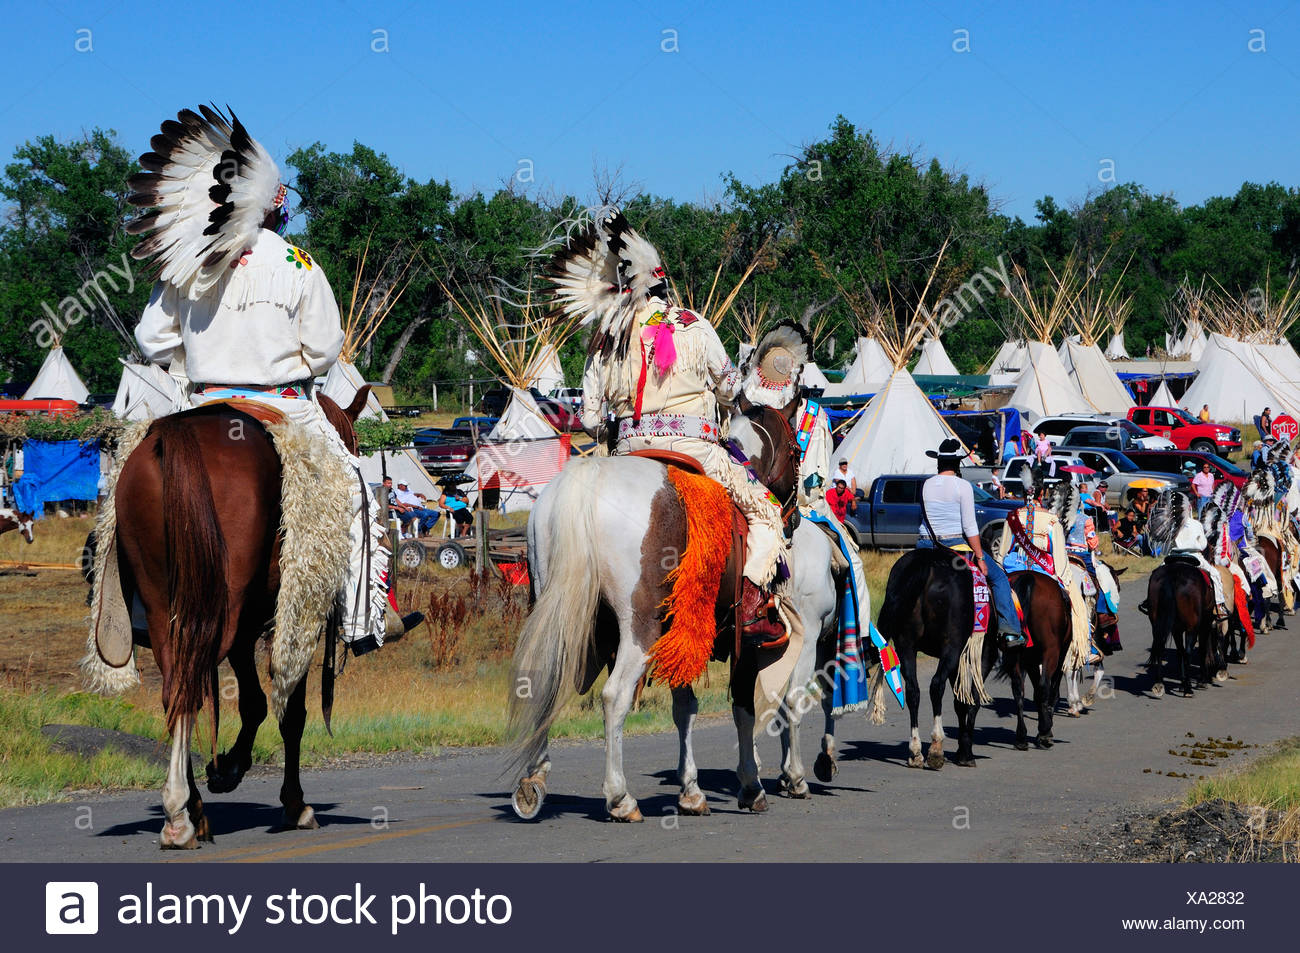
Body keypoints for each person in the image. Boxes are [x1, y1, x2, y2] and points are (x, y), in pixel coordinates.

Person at [130, 105, 399, 653]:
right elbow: (324, 350)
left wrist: (196, 369)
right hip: (285, 410)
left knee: (127, 498)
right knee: (356, 494)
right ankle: (362, 618)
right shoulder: (299, 264)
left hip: (198, 405)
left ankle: (134, 614)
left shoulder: (193, 260)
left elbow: (151, 340)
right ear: (277, 212)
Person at [566, 207, 791, 644]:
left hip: (628, 453)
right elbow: (728, 387)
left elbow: (589, 418)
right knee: (767, 513)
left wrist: (616, 430)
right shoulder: (694, 324)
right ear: (664, 286)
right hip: (696, 451)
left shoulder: (607, 336)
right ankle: (749, 609)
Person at [917, 438, 1025, 648]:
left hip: (924, 544)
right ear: (957, 464)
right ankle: (1009, 630)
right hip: (953, 545)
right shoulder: (963, 486)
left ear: (939, 463)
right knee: (999, 578)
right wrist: (981, 558)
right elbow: (970, 527)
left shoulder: (926, 485)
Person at [998, 466, 1091, 661]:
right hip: (1046, 570)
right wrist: (1067, 584)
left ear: (1025, 492)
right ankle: (1084, 647)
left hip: (1012, 571)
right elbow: (1059, 558)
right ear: (1043, 493)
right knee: (1078, 607)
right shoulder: (1052, 520)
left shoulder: (1012, 518)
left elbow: (1001, 554)